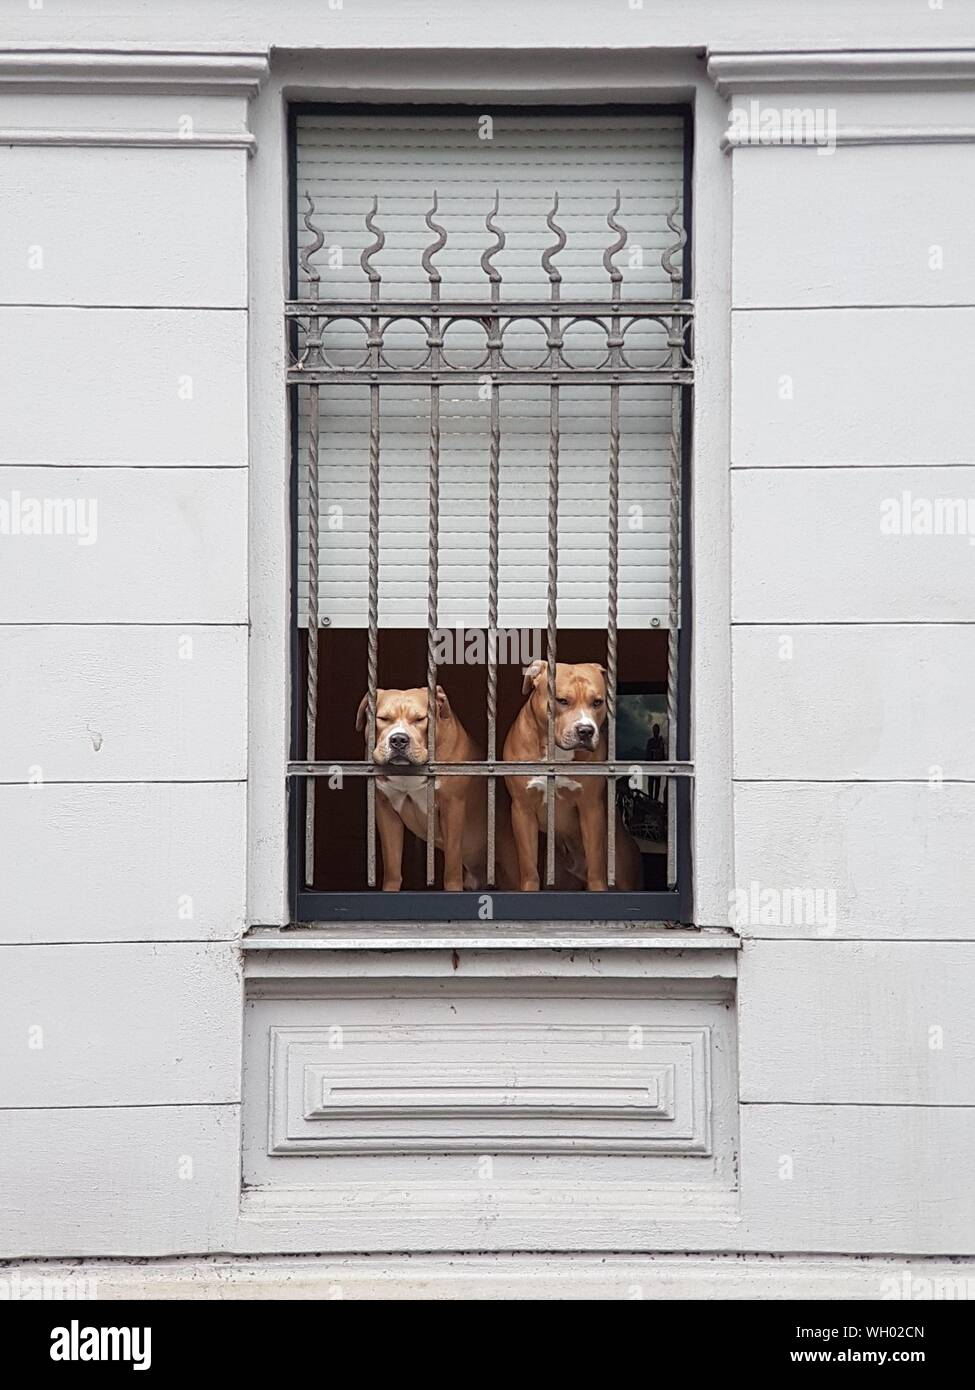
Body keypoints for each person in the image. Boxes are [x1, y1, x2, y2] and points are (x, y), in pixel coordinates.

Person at [645, 721, 666, 800]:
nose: (656, 732)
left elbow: (662, 753)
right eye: (655, 730)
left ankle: (655, 799)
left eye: (656, 730)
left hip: (658, 765)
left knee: (657, 783)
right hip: (651, 764)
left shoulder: (660, 742)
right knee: (651, 783)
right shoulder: (650, 741)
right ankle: (651, 798)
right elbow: (648, 753)